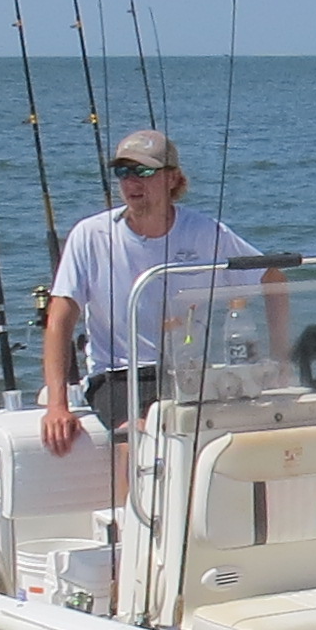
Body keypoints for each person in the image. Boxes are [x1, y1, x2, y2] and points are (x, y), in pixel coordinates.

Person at [38, 128, 261, 456]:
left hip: (188, 371)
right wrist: (57, 405)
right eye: (123, 172)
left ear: (173, 178)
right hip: (118, 376)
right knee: (140, 439)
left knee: (238, 436)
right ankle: (137, 508)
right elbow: (59, 320)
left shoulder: (205, 232)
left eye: (142, 171)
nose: (131, 182)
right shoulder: (91, 235)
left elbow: (272, 279)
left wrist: (280, 358)